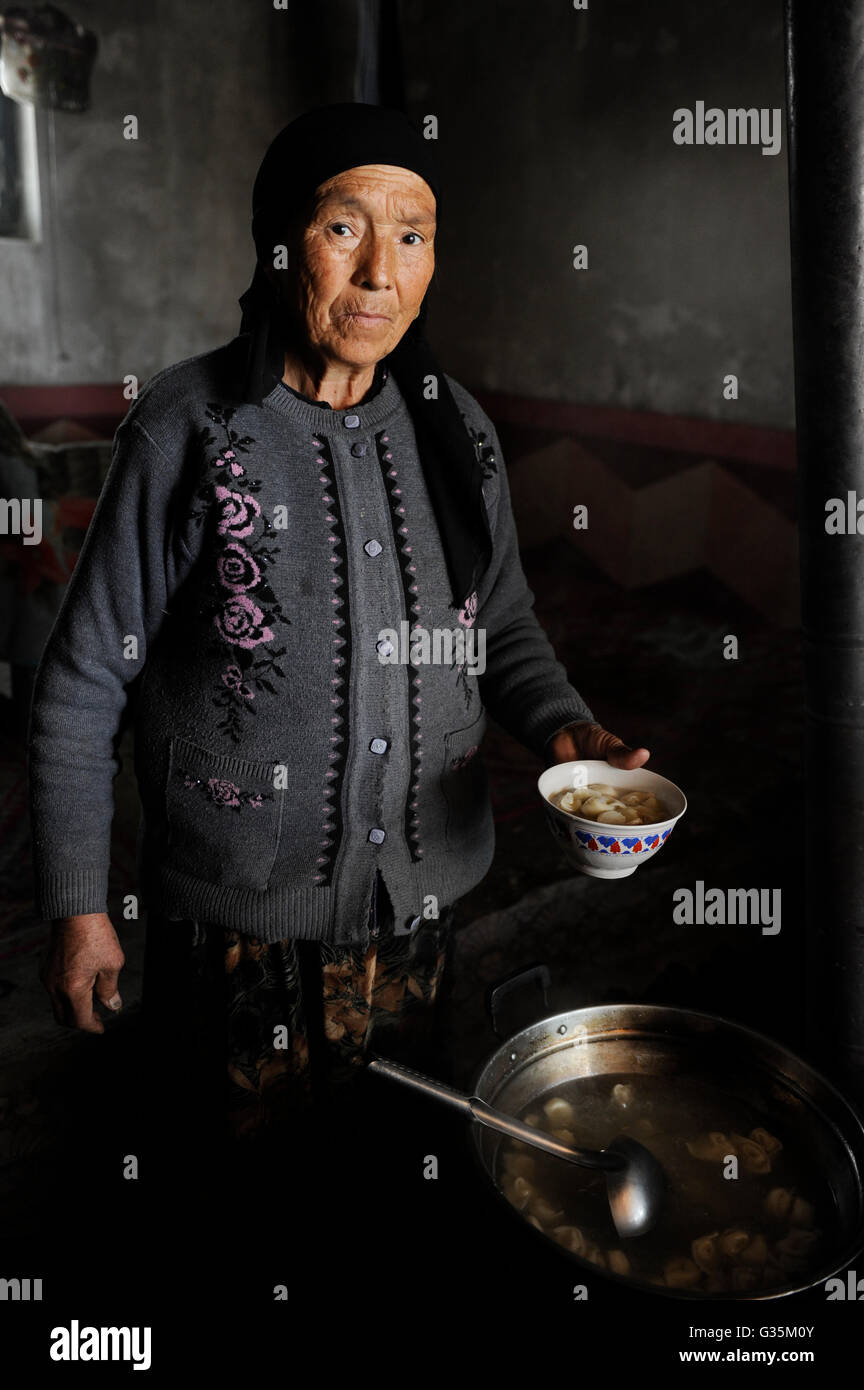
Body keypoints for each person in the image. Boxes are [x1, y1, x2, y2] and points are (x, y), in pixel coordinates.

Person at [28, 103, 649, 1162]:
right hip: (238, 923)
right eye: (344, 228)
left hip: (421, 903)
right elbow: (84, 683)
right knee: (236, 1178)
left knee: (397, 1171)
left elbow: (499, 624)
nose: (380, 275)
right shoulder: (187, 427)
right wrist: (81, 908)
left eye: (413, 236)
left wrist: (565, 729)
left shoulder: (457, 431)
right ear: (281, 246)